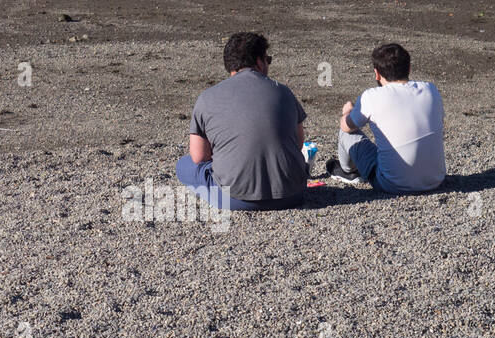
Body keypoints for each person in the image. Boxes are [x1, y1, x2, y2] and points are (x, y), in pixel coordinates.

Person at [176, 32, 308, 211]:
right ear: (259, 61)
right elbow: (298, 143)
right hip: (293, 194)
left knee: (184, 165)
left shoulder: (208, 98)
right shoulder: (284, 92)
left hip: (235, 198)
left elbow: (199, 156)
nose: (268, 65)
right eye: (267, 59)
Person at [325, 42, 445, 193]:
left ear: (377, 73)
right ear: (408, 68)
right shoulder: (431, 90)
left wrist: (347, 111)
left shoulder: (372, 96)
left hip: (391, 184)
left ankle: (349, 172)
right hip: (435, 180)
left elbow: (346, 126)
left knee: (346, 133)